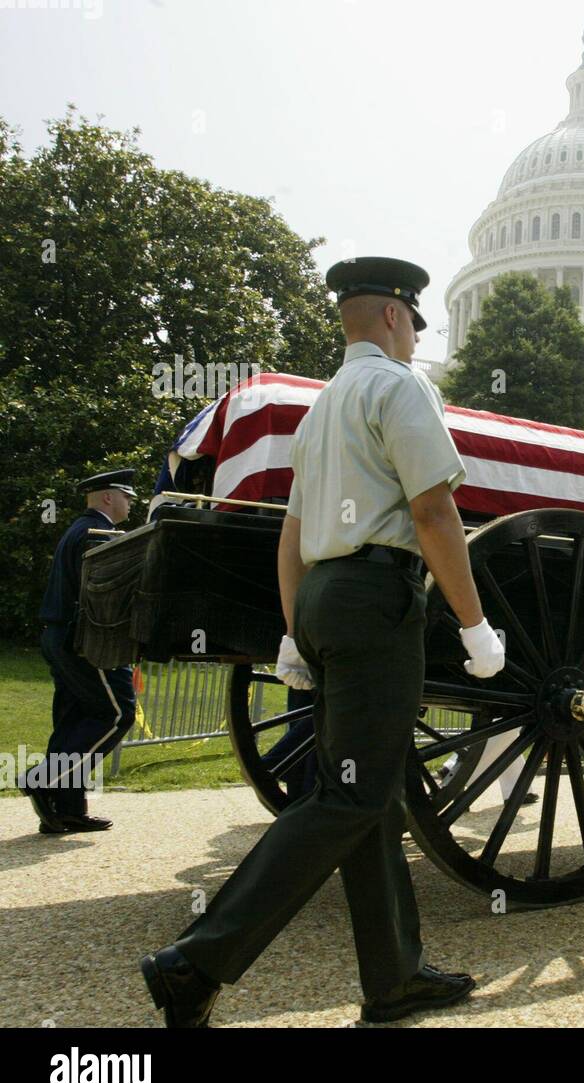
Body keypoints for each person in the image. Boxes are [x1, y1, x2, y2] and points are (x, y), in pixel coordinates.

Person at [140, 257, 505, 1027]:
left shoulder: (321, 408)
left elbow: (293, 539)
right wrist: (474, 624)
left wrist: (293, 633)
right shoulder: (400, 388)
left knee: (366, 793)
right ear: (396, 318)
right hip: (376, 600)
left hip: (325, 599)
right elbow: (436, 513)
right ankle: (195, 958)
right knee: (352, 794)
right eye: (413, 326)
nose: (413, 340)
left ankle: (394, 975)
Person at [21, 470, 139, 834]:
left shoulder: (79, 529)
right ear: (108, 497)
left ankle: (67, 808)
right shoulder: (98, 534)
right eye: (126, 496)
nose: (130, 502)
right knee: (117, 714)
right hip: (88, 641)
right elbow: (104, 595)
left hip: (62, 635)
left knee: (75, 718)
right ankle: (44, 779)